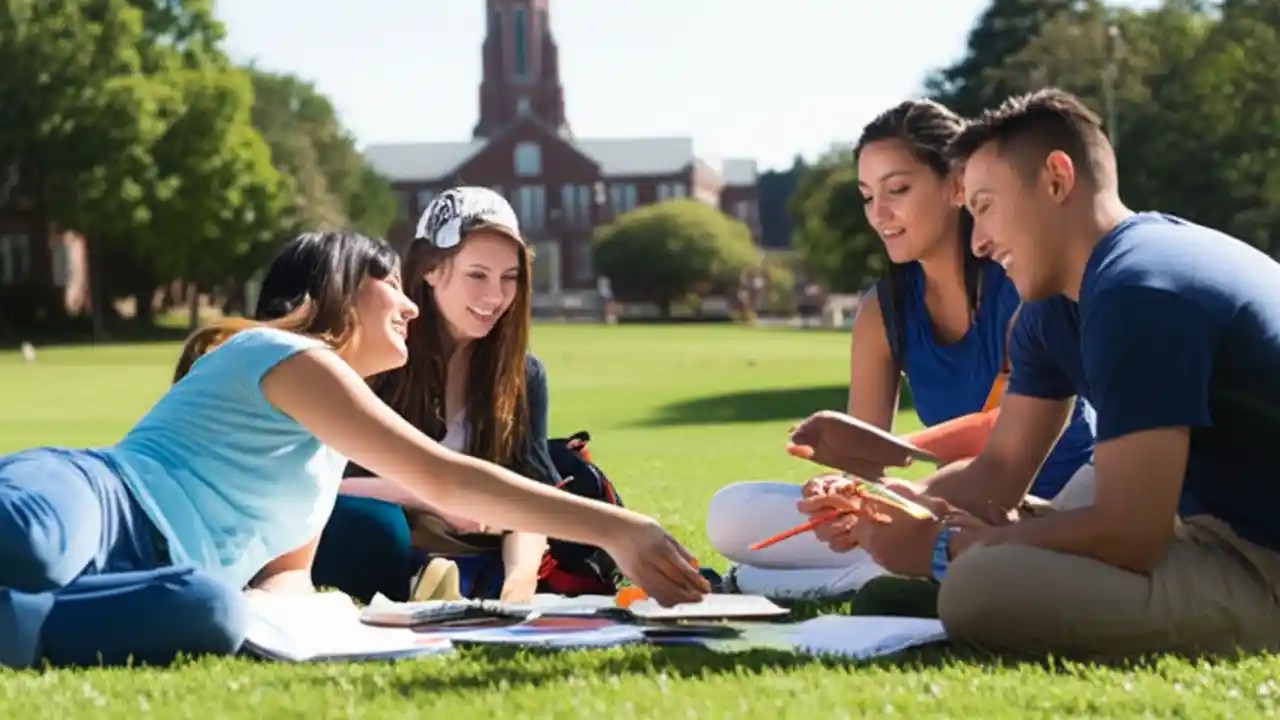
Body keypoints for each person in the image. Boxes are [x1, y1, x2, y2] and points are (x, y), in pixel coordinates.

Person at [0, 230, 708, 670]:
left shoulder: (321, 461)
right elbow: (441, 477)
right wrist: (617, 527)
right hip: (97, 495)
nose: (409, 306)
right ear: (338, 286)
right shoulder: (287, 354)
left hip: (155, 570)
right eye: (393, 284)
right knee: (34, 545)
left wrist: (364, 621)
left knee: (211, 613)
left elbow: (282, 581)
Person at [795, 88, 1280, 660]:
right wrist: (902, 503)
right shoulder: (1055, 308)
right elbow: (1001, 470)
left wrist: (943, 550)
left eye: (985, 206)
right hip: (1198, 513)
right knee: (1069, 498)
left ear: (1056, 178)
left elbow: (1131, 531)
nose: (978, 240)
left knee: (978, 588)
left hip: (1257, 556)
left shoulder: (1140, 288)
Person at [704, 99, 1094, 600]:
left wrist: (902, 458)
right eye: (867, 197)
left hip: (1042, 502)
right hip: (944, 503)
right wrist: (844, 492)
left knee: (914, 534)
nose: (879, 214)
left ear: (958, 185)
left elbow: (1004, 435)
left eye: (898, 190)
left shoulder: (1020, 280)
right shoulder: (881, 311)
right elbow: (864, 464)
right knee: (730, 514)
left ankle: (783, 580)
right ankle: (873, 570)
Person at [267, 187, 560, 604]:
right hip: (372, 537)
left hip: (469, 557)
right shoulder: (381, 353)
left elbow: (528, 499)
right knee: (376, 528)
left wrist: (519, 585)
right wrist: (433, 497)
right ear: (430, 270)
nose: (494, 297)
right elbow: (318, 480)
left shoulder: (522, 374)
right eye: (476, 275)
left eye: (509, 278)